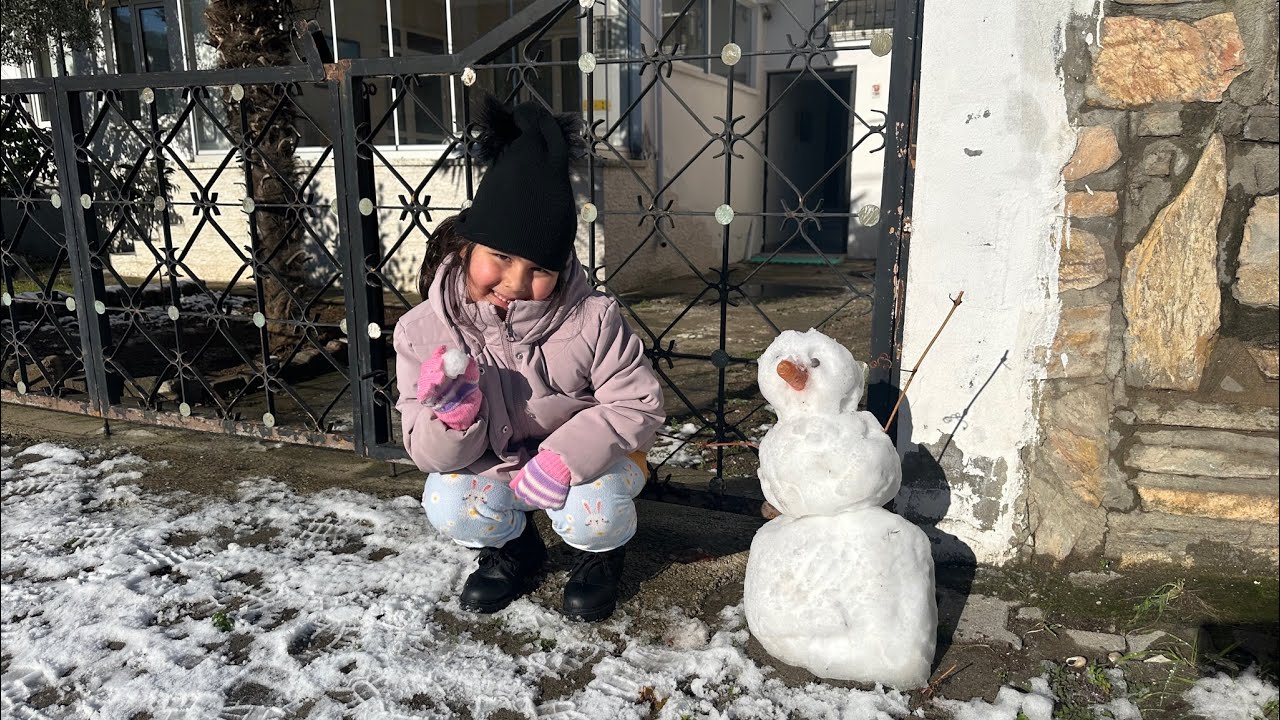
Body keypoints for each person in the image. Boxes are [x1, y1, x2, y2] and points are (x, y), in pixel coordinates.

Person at [393, 95, 665, 622]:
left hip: (591, 465)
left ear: (562, 269)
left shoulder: (593, 318)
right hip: (496, 465)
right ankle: (516, 550)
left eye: (540, 268)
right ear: (469, 245)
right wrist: (454, 419)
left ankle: (600, 555)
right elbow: (431, 457)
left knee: (596, 513)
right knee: (449, 502)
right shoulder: (421, 330)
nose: (516, 284)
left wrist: (563, 459)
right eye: (500, 257)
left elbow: (638, 406)